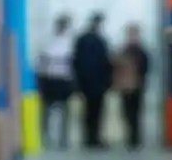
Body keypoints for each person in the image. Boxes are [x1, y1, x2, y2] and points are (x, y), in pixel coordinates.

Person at [71, 12, 113, 150]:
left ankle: (89, 138)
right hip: (98, 83)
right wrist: (108, 82)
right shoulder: (101, 41)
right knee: (97, 111)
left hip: (86, 83)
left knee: (87, 111)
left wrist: (78, 82)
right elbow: (106, 63)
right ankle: (95, 138)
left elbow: (76, 62)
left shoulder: (81, 40)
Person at [35, 14, 76, 150]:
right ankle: (59, 138)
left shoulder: (50, 42)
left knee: (52, 110)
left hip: (53, 79)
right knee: (59, 111)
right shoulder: (66, 43)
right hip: (58, 79)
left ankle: (53, 138)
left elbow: (41, 64)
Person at [112, 23, 151, 151]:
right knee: (126, 113)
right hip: (125, 88)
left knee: (137, 113)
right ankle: (130, 137)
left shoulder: (141, 51)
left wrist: (139, 81)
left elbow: (146, 68)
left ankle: (136, 138)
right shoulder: (124, 51)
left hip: (138, 87)